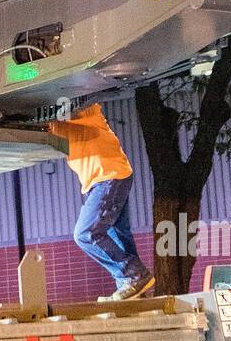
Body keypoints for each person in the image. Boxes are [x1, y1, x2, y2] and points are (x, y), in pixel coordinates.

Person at [45, 103, 154, 302]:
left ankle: (133, 275)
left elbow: (71, 109)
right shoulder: (54, 122)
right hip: (110, 175)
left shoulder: (85, 110)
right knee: (117, 233)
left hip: (107, 176)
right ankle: (132, 287)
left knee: (86, 233)